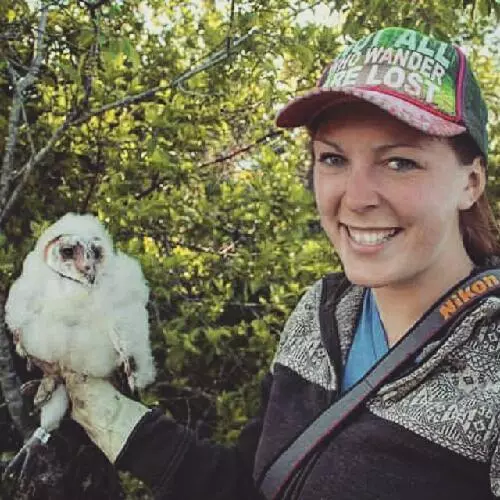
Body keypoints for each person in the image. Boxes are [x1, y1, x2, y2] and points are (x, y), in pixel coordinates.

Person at [63, 26, 500, 499]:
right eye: (333, 159)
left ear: (470, 182)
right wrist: (113, 417)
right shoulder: (321, 314)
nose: (355, 198)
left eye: (399, 163)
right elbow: (255, 484)